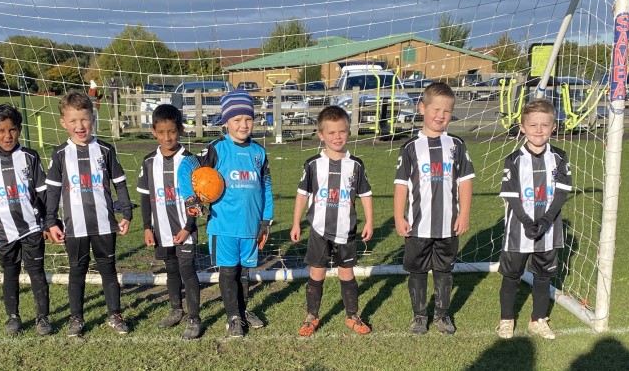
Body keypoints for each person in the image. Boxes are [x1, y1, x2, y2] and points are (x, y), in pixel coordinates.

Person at [177, 90, 274, 338]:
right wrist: (190, 197)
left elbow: (266, 187)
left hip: (251, 226)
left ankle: (241, 311)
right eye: (237, 119)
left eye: (248, 119)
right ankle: (232, 318)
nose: (243, 124)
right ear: (226, 121)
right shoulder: (217, 149)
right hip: (223, 225)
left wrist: (266, 219)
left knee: (244, 272)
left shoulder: (259, 153)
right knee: (229, 271)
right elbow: (186, 166)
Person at [44, 91, 134, 337]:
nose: (79, 126)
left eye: (84, 119)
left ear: (92, 118)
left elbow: (120, 183)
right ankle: (76, 318)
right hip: (74, 226)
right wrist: (51, 221)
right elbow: (52, 192)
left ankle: (114, 314)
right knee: (77, 271)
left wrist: (126, 213)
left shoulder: (105, 149)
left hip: (105, 224)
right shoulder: (60, 154)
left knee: (108, 270)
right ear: (64, 123)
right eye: (73, 121)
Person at [393, 82, 474, 335]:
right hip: (418, 224)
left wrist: (464, 213)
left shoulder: (456, 145)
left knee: (443, 270)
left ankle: (442, 315)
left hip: (448, 224)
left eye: (447, 111)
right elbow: (401, 186)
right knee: (417, 270)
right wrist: (398, 216)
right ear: (422, 108)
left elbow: (465, 181)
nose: (440, 116)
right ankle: (419, 316)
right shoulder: (410, 147)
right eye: (435, 109)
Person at [290, 106, 374, 336]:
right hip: (319, 230)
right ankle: (311, 316)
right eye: (331, 133)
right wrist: (296, 222)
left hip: (346, 230)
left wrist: (369, 221)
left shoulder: (355, 164)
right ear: (321, 135)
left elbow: (365, 194)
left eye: (342, 131)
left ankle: (352, 315)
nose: (337, 137)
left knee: (347, 273)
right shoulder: (313, 164)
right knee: (317, 273)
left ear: (348, 132)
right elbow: (302, 194)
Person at [496, 99, 571, 340]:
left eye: (544, 125)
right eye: (533, 125)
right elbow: (512, 197)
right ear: (523, 127)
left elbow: (561, 192)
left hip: (549, 230)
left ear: (553, 127)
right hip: (520, 229)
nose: (538, 130)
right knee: (512, 276)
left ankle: (538, 319)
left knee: (543, 276)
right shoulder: (514, 159)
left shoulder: (559, 157)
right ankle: (506, 319)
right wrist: (528, 222)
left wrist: (548, 219)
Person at [0, 103, 52, 336]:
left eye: (12, 130)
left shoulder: (30, 157)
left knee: (37, 272)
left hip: (32, 228)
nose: (7, 136)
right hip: (4, 230)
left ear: (19, 129)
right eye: (1, 131)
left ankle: (43, 318)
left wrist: (49, 223)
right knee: (10, 273)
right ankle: (13, 317)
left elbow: (42, 193)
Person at [136, 104, 202, 340]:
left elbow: (197, 199)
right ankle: (176, 310)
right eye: (161, 132)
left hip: (185, 229)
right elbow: (144, 197)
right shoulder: (148, 161)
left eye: (172, 131)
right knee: (171, 270)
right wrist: (146, 227)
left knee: (187, 271)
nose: (167, 137)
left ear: (181, 130)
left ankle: (194, 319)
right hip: (161, 229)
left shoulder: (191, 161)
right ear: (153, 131)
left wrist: (188, 228)